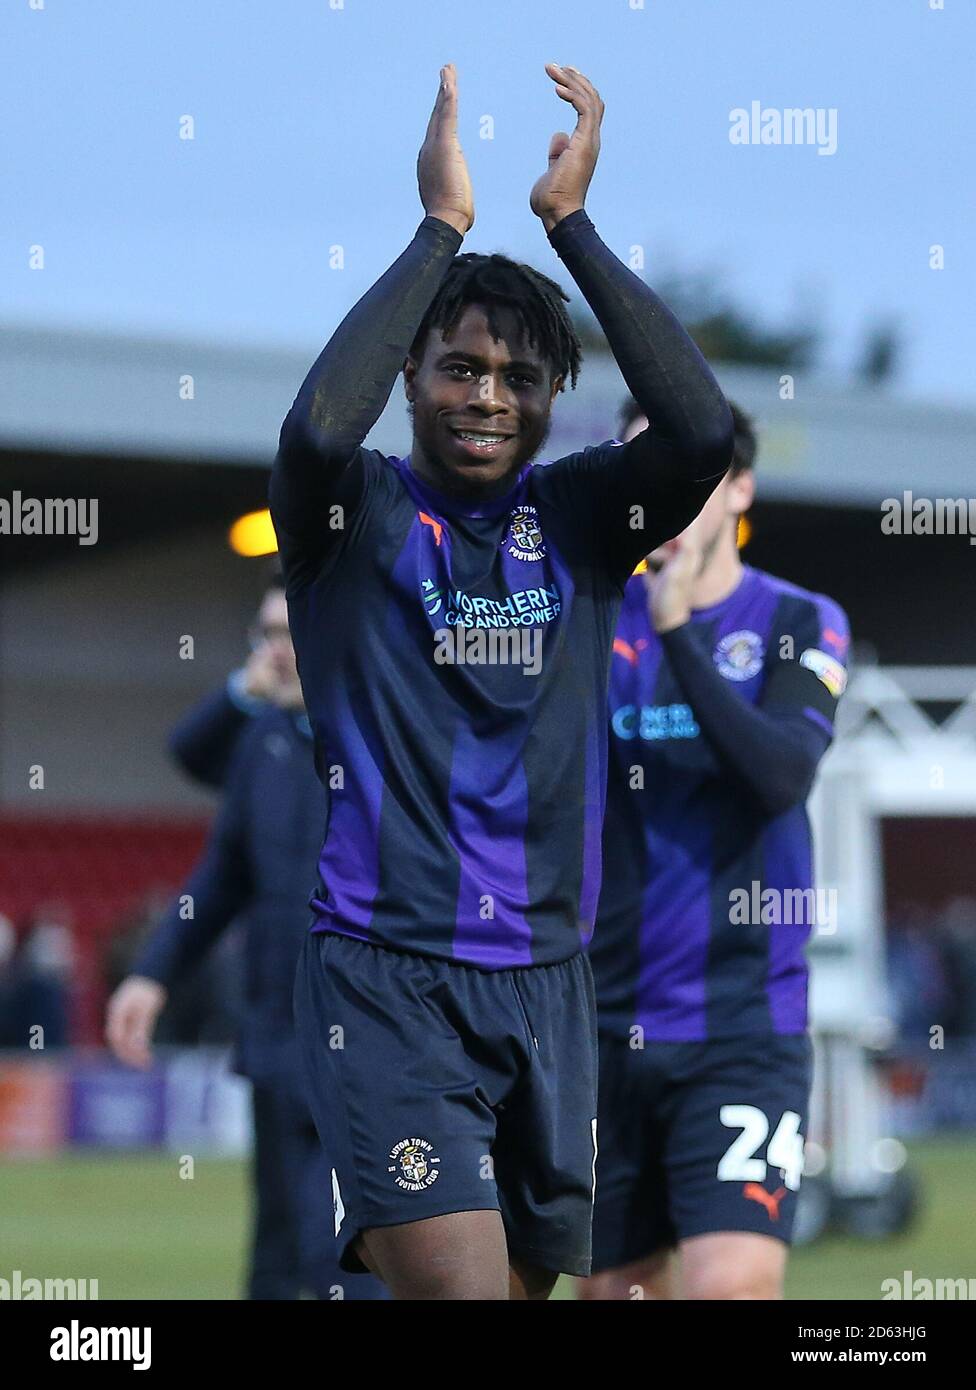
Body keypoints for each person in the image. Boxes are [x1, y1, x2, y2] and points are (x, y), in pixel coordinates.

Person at [269, 62, 734, 1300]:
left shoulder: (581, 516)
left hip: (550, 981)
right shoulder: (350, 513)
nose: (488, 396)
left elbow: (698, 432)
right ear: (413, 376)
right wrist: (442, 230)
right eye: (461, 368)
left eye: (520, 378)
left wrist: (568, 225)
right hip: (384, 973)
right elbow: (316, 428)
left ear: (549, 402)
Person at [578, 398, 850, 1300]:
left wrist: (677, 630)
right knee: (614, 1289)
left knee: (729, 1286)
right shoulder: (583, 625)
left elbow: (779, 776)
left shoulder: (800, 622)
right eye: (642, 474)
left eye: (688, 475)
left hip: (742, 1023)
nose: (664, 497)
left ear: (739, 487)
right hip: (602, 1026)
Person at [105, 575, 387, 1300]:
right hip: (273, 1040)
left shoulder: (385, 743)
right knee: (275, 1260)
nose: (275, 654)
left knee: (344, 1262)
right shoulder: (263, 738)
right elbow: (221, 876)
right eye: (266, 634)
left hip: (365, 1045)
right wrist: (152, 975)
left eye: (290, 635)